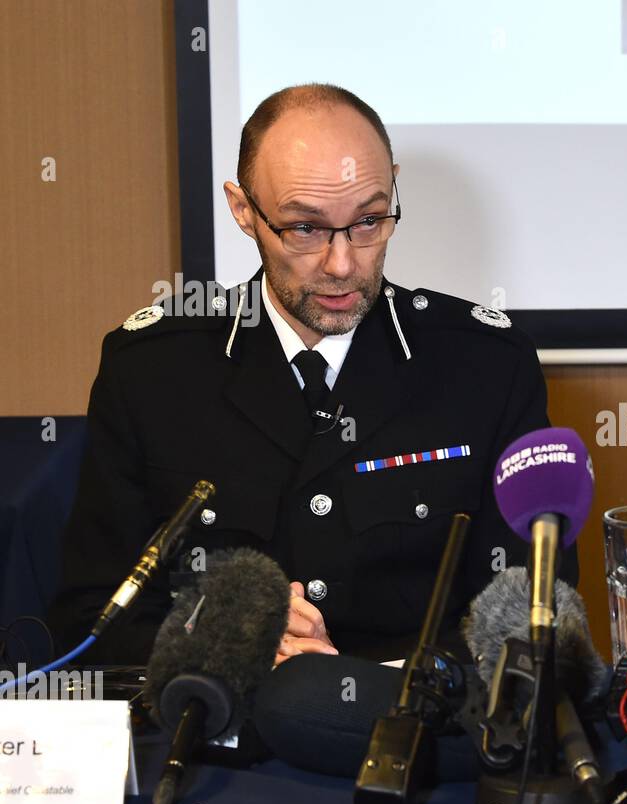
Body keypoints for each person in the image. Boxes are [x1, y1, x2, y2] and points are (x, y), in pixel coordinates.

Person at [49, 83, 576, 666]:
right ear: (243, 210)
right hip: (226, 742)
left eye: (370, 220)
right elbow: (91, 622)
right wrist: (227, 650)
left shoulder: (486, 366)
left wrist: (382, 689)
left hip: (422, 735)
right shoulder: (151, 371)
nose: (342, 263)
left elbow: (536, 613)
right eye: (304, 228)